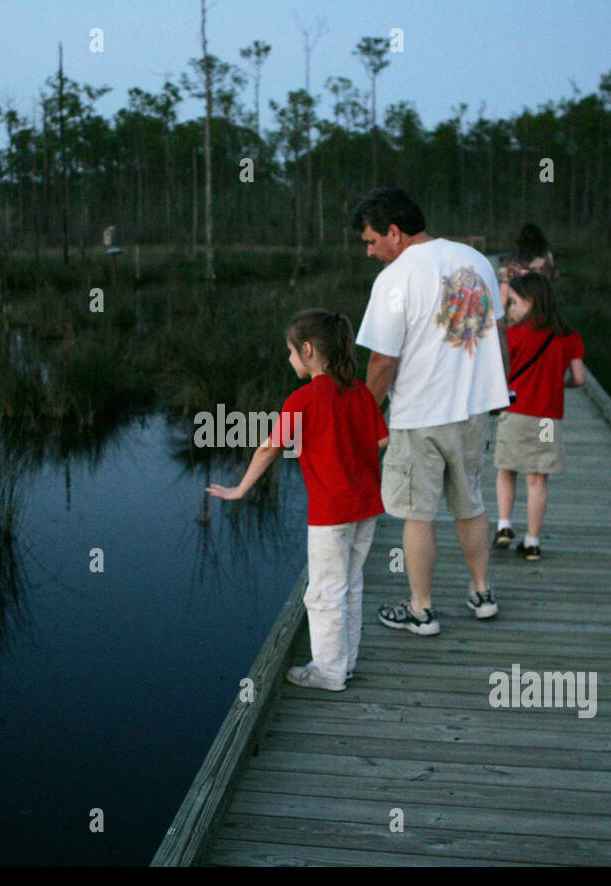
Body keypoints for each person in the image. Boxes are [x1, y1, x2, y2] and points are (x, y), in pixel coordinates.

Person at [350, 187, 510, 633]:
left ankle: (421, 610)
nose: (369, 252)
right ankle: (482, 593)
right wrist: (503, 389)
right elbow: (497, 336)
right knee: (471, 503)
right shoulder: (476, 262)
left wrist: (365, 412)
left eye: (370, 241)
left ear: (394, 233)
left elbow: (383, 361)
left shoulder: (395, 278)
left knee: (418, 514)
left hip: (419, 414)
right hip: (473, 410)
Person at [208, 309, 388, 692]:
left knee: (324, 593)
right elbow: (381, 440)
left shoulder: (302, 400)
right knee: (351, 586)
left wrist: (240, 489)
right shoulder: (359, 392)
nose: (289, 359)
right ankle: (345, 663)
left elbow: (269, 448)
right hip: (366, 507)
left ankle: (328, 672)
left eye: (291, 352)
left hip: (331, 514)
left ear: (308, 350)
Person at [492, 272, 586, 561]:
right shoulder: (568, 336)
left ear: (530, 302)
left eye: (515, 303)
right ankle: (532, 542)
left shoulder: (513, 335)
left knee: (507, 469)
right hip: (547, 419)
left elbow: (499, 375)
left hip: (516, 412)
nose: (511, 310)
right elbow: (580, 378)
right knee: (537, 479)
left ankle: (504, 526)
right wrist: (562, 384)